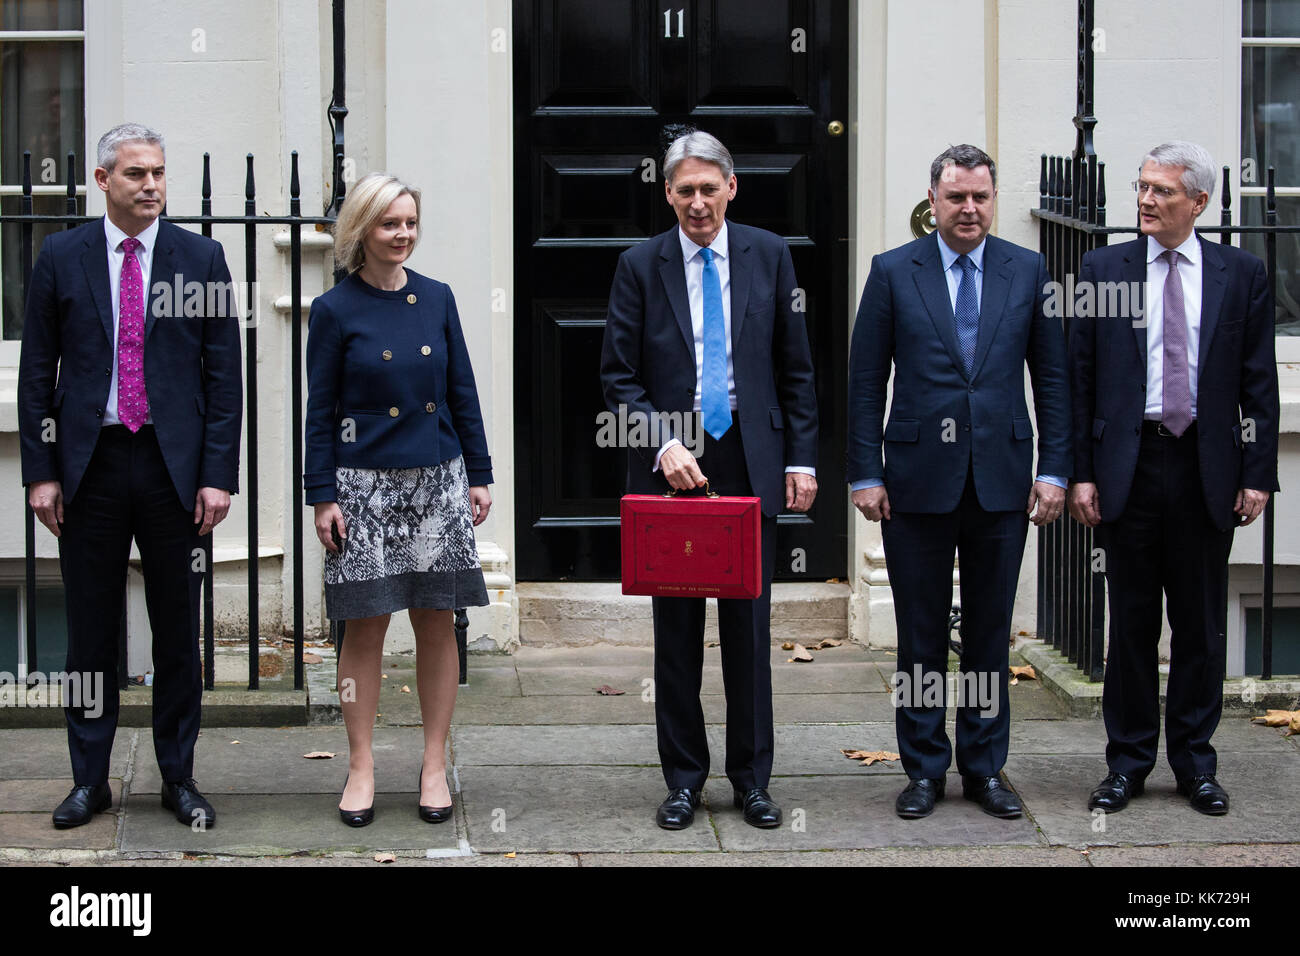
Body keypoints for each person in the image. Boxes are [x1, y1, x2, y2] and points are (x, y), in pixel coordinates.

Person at [18, 123, 243, 829]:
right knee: (91, 633)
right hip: (92, 464)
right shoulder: (62, 256)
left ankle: (179, 776)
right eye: (136, 174)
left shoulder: (200, 257)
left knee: (177, 631)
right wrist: (41, 471)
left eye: (158, 174)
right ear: (103, 180)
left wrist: (218, 475)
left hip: (175, 470)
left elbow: (224, 374)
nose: (151, 186)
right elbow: (35, 374)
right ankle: (90, 780)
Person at [600, 130, 819, 830]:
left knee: (751, 634)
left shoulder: (771, 256)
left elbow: (796, 368)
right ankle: (684, 780)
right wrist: (662, 445)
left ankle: (753, 780)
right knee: (677, 633)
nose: (698, 202)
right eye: (684, 190)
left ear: (732, 187)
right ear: (667, 193)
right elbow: (618, 379)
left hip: (751, 461)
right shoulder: (640, 265)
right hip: (675, 468)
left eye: (708, 187)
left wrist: (802, 459)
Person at [847, 144, 1071, 820]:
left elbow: (1053, 378)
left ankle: (983, 768)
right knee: (918, 637)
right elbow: (865, 383)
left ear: (992, 200)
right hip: (915, 482)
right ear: (933, 199)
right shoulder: (893, 272)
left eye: (980, 197)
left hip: (1002, 480)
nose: (968, 208)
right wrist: (865, 472)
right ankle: (922, 770)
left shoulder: (1027, 270)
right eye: (956, 197)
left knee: (986, 634)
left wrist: (1055, 470)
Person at [1068, 142, 1279, 816]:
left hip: (1205, 469)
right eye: (1142, 188)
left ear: (1199, 202)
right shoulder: (1104, 268)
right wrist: (1079, 474)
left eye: (1161, 191)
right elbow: (1078, 382)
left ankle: (1194, 764)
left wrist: (1258, 474)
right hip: (1129, 466)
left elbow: (1259, 382)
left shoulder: (1240, 274)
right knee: (1129, 626)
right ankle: (1127, 762)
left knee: (1200, 626)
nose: (1146, 201)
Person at [304, 172, 493, 827]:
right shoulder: (334, 311)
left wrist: (480, 472)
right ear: (362, 229)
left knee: (437, 625)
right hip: (364, 486)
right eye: (390, 224)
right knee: (365, 629)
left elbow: (462, 390)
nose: (403, 234)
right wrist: (321, 495)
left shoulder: (437, 299)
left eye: (410, 222)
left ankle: (434, 763)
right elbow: (319, 412)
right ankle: (361, 764)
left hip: (435, 482)